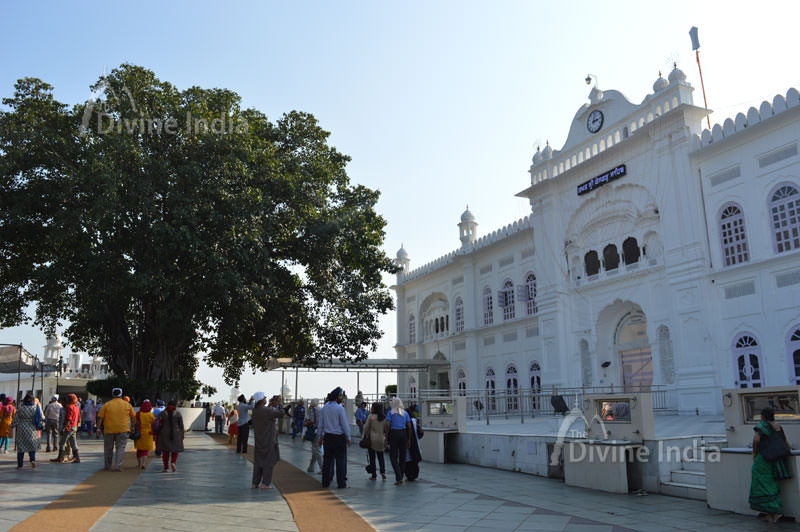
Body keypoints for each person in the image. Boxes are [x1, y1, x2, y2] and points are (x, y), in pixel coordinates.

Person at [749, 407, 793, 523]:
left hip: (764, 459)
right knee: (774, 484)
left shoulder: (762, 426)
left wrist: (754, 453)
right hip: (777, 460)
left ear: (763, 416)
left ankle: (770, 514)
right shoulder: (778, 426)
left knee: (762, 485)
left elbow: (756, 440)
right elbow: (785, 441)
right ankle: (776, 513)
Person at [318, 387, 351, 489]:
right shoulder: (339, 408)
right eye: (340, 395)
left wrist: (320, 437)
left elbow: (321, 424)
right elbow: (344, 424)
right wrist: (348, 437)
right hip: (339, 438)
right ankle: (341, 484)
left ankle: (325, 482)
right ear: (337, 397)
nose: (341, 397)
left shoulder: (325, 408)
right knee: (340, 461)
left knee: (327, 461)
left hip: (328, 437)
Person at [96, 387, 135, 471]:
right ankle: (118, 465)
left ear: (113, 394)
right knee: (120, 448)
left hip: (108, 430)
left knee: (108, 448)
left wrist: (98, 428)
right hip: (123, 429)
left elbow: (100, 417)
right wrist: (132, 427)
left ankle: (107, 466)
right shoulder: (127, 405)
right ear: (121, 394)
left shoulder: (107, 405)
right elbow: (133, 417)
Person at [251, 392, 284, 489]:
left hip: (259, 440)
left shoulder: (255, 410)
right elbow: (281, 414)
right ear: (262, 400)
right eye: (265, 398)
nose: (266, 399)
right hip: (269, 439)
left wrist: (270, 406)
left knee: (258, 462)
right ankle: (265, 483)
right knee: (268, 462)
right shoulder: (267, 410)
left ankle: (255, 483)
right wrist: (280, 403)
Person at [385, 397, 413, 485]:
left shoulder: (390, 413)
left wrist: (386, 438)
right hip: (403, 434)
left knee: (393, 456)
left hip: (394, 434)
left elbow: (387, 425)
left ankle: (399, 477)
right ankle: (401, 475)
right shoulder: (405, 413)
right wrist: (409, 438)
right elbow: (409, 426)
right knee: (402, 456)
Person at [10, 394, 40, 469]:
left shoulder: (20, 408)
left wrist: (11, 427)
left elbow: (15, 419)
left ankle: (20, 464)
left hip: (22, 428)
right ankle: (32, 460)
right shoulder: (36, 408)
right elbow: (42, 417)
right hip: (32, 429)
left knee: (21, 446)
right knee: (32, 445)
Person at [156, 399, 185, 472]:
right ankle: (173, 462)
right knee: (175, 450)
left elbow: (158, 424)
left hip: (164, 433)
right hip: (176, 433)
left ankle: (166, 468)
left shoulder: (162, 414)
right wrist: (182, 434)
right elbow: (181, 425)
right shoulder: (178, 414)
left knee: (165, 451)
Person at [52, 393, 80, 463]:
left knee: (62, 442)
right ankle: (76, 457)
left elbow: (68, 419)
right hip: (74, 426)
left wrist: (64, 428)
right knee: (73, 443)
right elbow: (79, 417)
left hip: (69, 427)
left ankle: (60, 458)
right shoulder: (76, 407)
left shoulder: (70, 407)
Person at [363, 402, 388, 480]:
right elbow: (386, 429)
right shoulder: (384, 417)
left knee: (372, 458)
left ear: (375, 408)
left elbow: (366, 427)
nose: (371, 408)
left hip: (372, 440)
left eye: (372, 407)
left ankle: (374, 475)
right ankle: (382, 472)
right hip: (381, 439)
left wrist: (365, 436)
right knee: (381, 457)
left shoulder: (371, 416)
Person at [134, 399, 156, 469]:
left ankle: (139, 464)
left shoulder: (138, 414)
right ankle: (143, 463)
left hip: (139, 433)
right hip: (148, 434)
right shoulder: (151, 415)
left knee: (139, 450)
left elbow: (134, 423)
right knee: (145, 451)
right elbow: (154, 425)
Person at [404, 408, 424, 481]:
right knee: (414, 461)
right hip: (416, 445)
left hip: (408, 444)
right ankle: (414, 475)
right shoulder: (415, 421)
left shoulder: (406, 422)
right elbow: (420, 433)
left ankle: (409, 475)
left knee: (408, 460)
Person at [305, 398, 322, 473]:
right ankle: (310, 467)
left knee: (316, 450)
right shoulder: (321, 409)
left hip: (314, 431)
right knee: (315, 449)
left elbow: (311, 421)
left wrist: (305, 424)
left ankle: (323, 468)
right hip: (320, 430)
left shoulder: (313, 410)